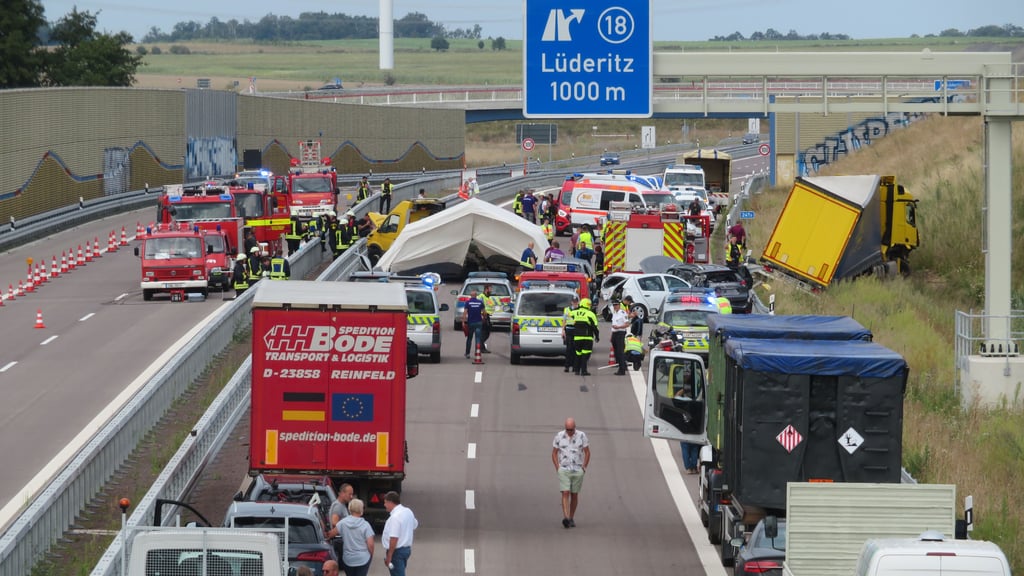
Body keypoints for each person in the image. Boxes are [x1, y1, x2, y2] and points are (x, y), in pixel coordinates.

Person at [551, 417, 590, 529]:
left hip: (577, 470)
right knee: (565, 492)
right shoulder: (559, 436)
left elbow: (587, 452)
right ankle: (566, 518)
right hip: (564, 469)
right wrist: (557, 467)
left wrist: (584, 468)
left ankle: (571, 517)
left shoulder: (582, 436)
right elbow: (554, 453)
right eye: (567, 429)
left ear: (575, 427)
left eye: (571, 429)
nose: (569, 432)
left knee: (574, 494)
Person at [382, 491, 417, 576]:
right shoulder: (408, 511)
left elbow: (394, 538)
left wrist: (389, 556)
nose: (384, 505)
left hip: (396, 552)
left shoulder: (395, 517)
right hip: (406, 550)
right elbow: (414, 524)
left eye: (385, 503)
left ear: (390, 502)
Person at [338, 498, 375, 576]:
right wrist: (371, 555)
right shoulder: (366, 525)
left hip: (348, 559)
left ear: (350, 509)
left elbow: (330, 534)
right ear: (361, 509)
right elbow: (370, 544)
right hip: (363, 558)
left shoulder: (343, 523)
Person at [569, 297, 599, 376]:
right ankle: (584, 371)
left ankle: (577, 370)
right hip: (587, 338)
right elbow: (595, 327)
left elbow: (568, 323)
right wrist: (597, 336)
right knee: (585, 355)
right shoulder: (590, 314)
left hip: (576, 338)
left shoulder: (574, 312)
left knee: (578, 354)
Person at [327, 483, 355, 563]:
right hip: (339, 542)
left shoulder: (341, 505)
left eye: (352, 494)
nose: (351, 497)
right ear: (342, 493)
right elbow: (334, 522)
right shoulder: (338, 506)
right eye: (349, 494)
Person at [463, 288, 486, 359]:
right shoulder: (480, 302)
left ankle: (467, 354)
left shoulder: (468, 302)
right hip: (479, 322)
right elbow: (484, 312)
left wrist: (463, 321)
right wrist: (484, 318)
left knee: (469, 338)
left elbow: (465, 313)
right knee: (478, 338)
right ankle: (477, 352)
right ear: (476, 295)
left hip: (471, 323)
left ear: (471, 295)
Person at [610, 299, 630, 376]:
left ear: (619, 305)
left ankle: (622, 370)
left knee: (620, 352)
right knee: (616, 352)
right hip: (615, 333)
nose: (615, 307)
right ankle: (622, 365)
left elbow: (627, 324)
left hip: (620, 333)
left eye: (616, 305)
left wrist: (619, 327)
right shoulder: (614, 313)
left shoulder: (622, 313)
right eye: (614, 305)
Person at [561, 295, 578, 373]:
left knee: (575, 349)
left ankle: (575, 366)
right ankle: (567, 366)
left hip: (576, 330)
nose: (575, 303)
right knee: (568, 349)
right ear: (571, 302)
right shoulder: (567, 309)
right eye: (573, 302)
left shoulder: (579, 310)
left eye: (576, 302)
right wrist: (563, 331)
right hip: (568, 330)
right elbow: (564, 320)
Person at [480, 284, 496, 353]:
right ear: (486, 289)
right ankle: (480, 346)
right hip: (483, 316)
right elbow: (480, 306)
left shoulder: (488, 297)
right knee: (485, 332)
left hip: (487, 316)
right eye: (490, 289)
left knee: (487, 332)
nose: (491, 290)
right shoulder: (481, 296)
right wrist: (483, 316)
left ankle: (481, 346)